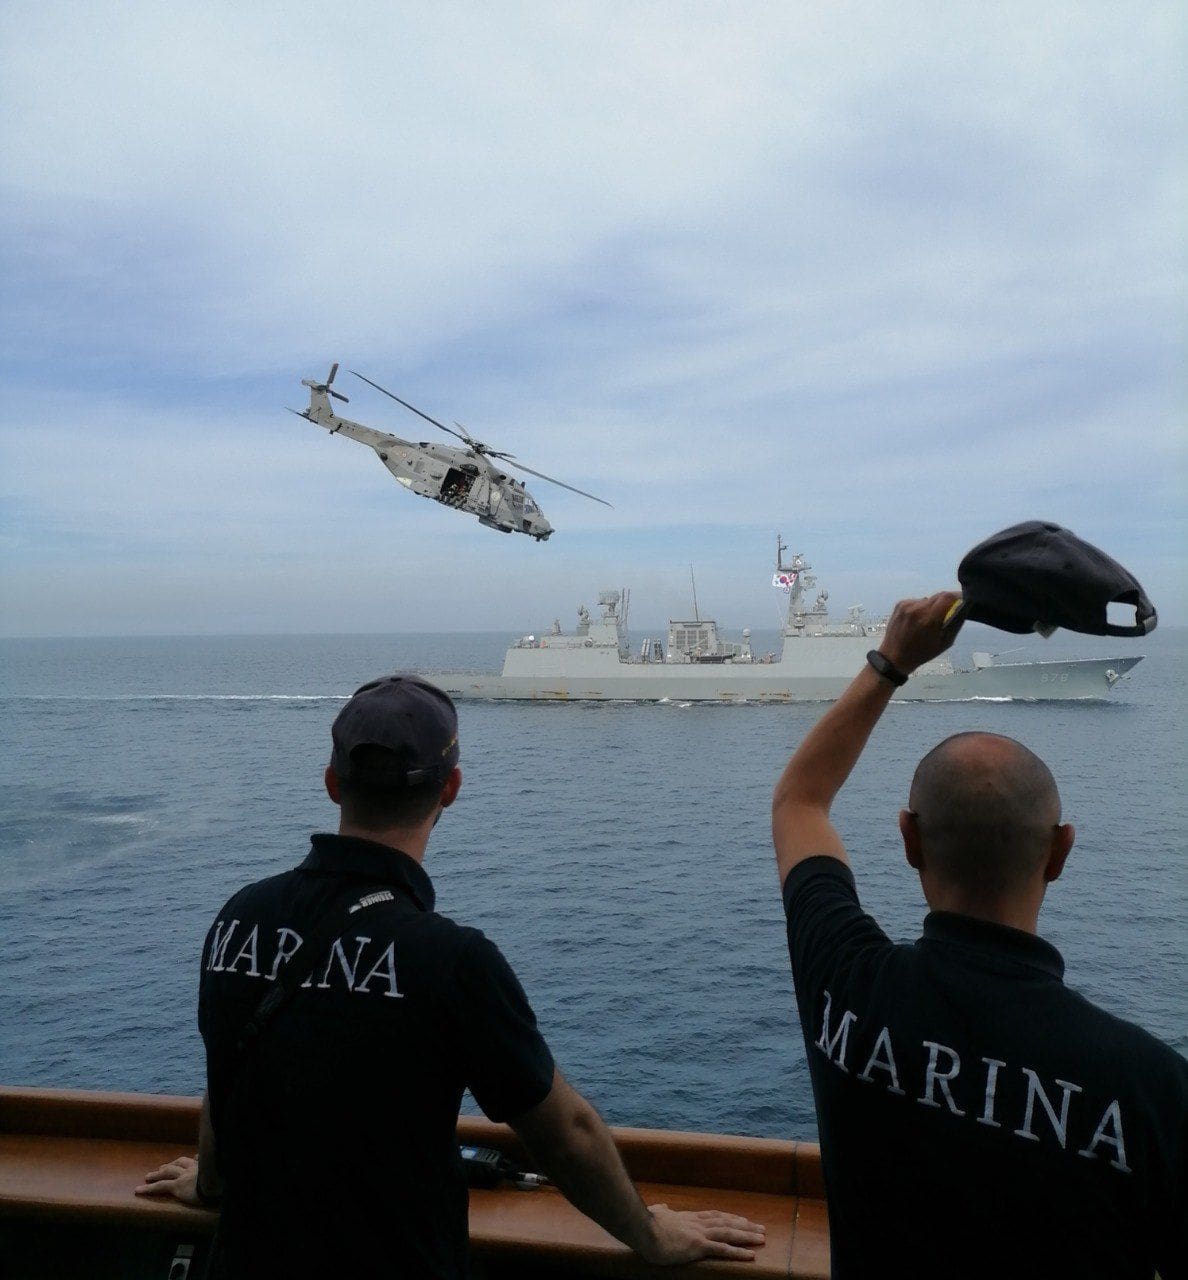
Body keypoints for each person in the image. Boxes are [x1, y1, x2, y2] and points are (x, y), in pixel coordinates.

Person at [138, 674, 763, 1278]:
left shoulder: (236, 920)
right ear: (451, 788)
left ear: (332, 783)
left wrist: (213, 1183)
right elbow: (566, 1134)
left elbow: (229, 1073)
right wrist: (650, 1235)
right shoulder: (451, 960)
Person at [772, 591, 1187, 1280]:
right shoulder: (1155, 1089)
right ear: (1060, 852)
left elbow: (799, 799)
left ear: (909, 840)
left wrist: (888, 660)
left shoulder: (848, 989)